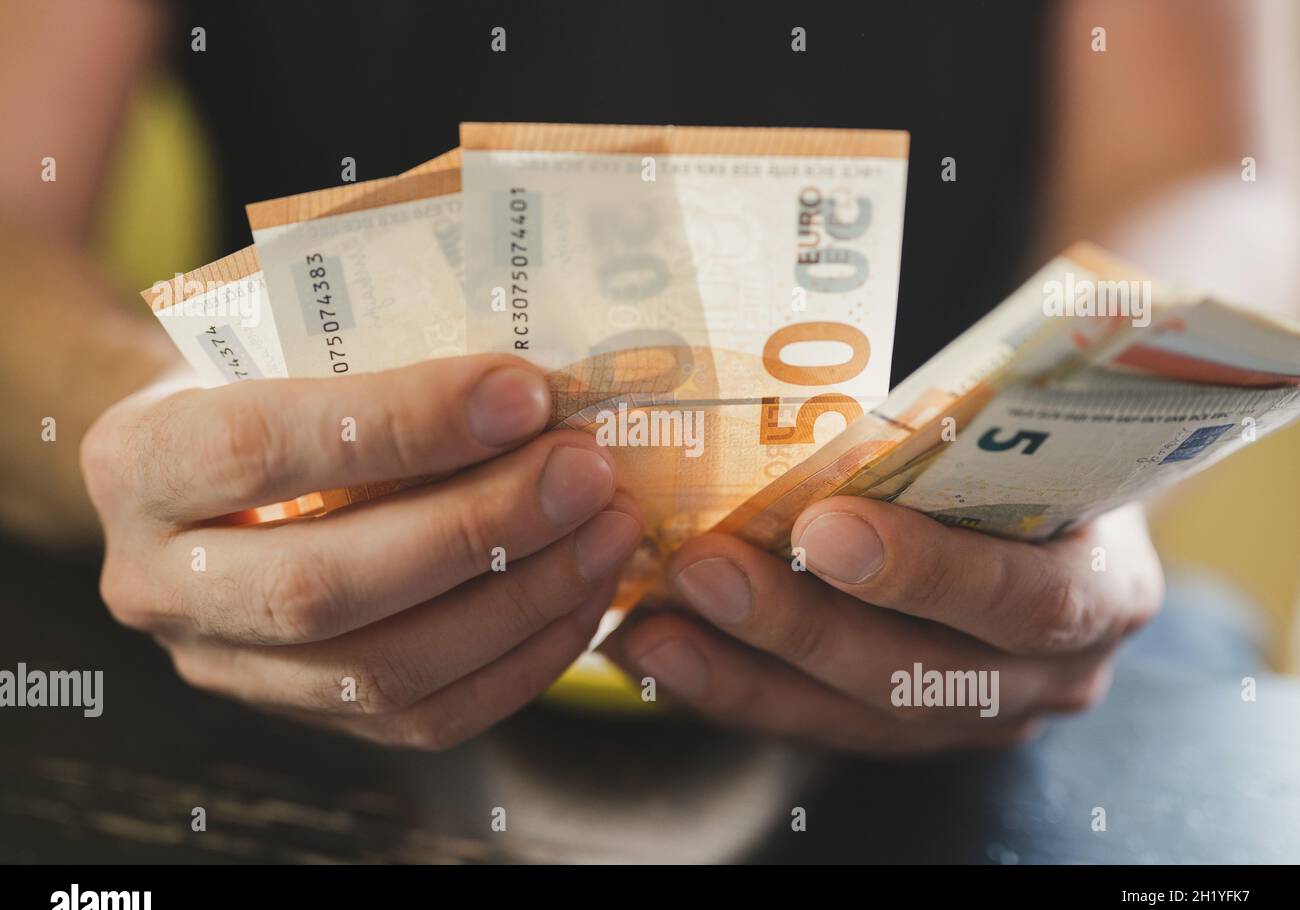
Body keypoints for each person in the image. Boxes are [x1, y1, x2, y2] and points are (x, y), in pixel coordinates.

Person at [0, 0, 1293, 759]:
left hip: (952, 650)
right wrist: (149, 430)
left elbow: (1210, 180)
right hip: (263, 645)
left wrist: (1076, 452)